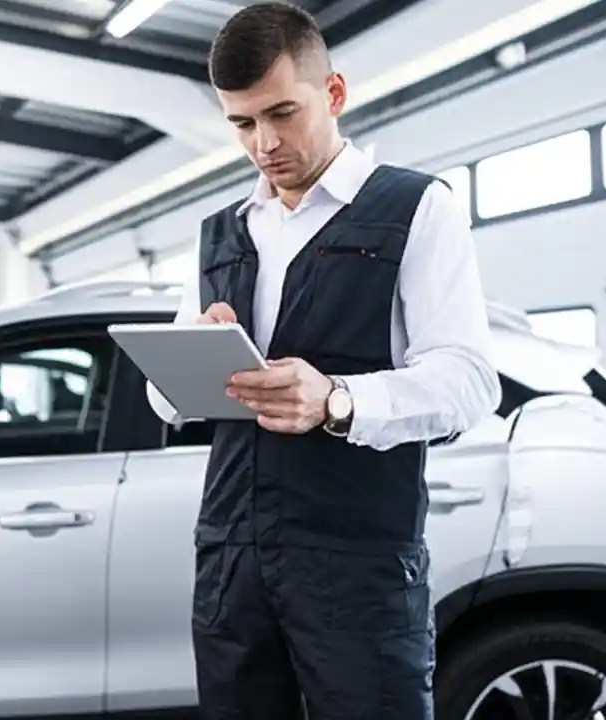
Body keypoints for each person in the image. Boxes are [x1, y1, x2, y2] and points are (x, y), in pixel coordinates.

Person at [145, 2, 502, 718]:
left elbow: (470, 381)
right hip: (232, 557)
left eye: (282, 113)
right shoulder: (220, 232)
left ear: (333, 94)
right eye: (242, 123)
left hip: (356, 563)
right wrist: (199, 361)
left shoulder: (416, 208)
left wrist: (339, 399)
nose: (264, 143)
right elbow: (165, 402)